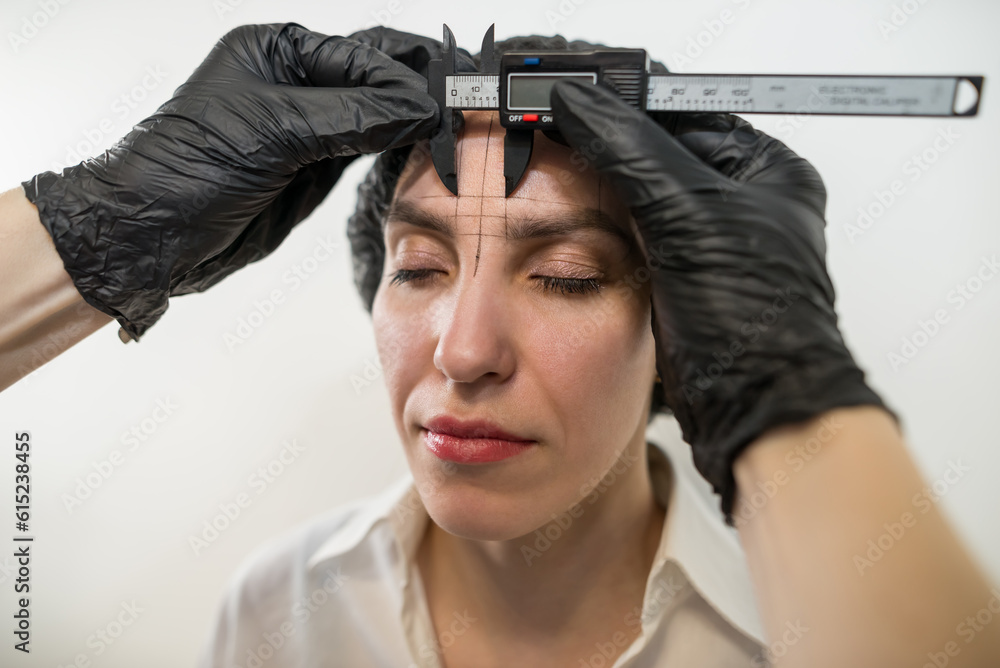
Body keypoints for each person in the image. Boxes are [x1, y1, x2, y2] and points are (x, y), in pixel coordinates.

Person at [1, 23, 997, 667]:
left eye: (564, 274)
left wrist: (784, 383)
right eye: (421, 266)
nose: (463, 350)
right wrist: (101, 224)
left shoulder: (805, 627)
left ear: (682, 326)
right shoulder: (280, 609)